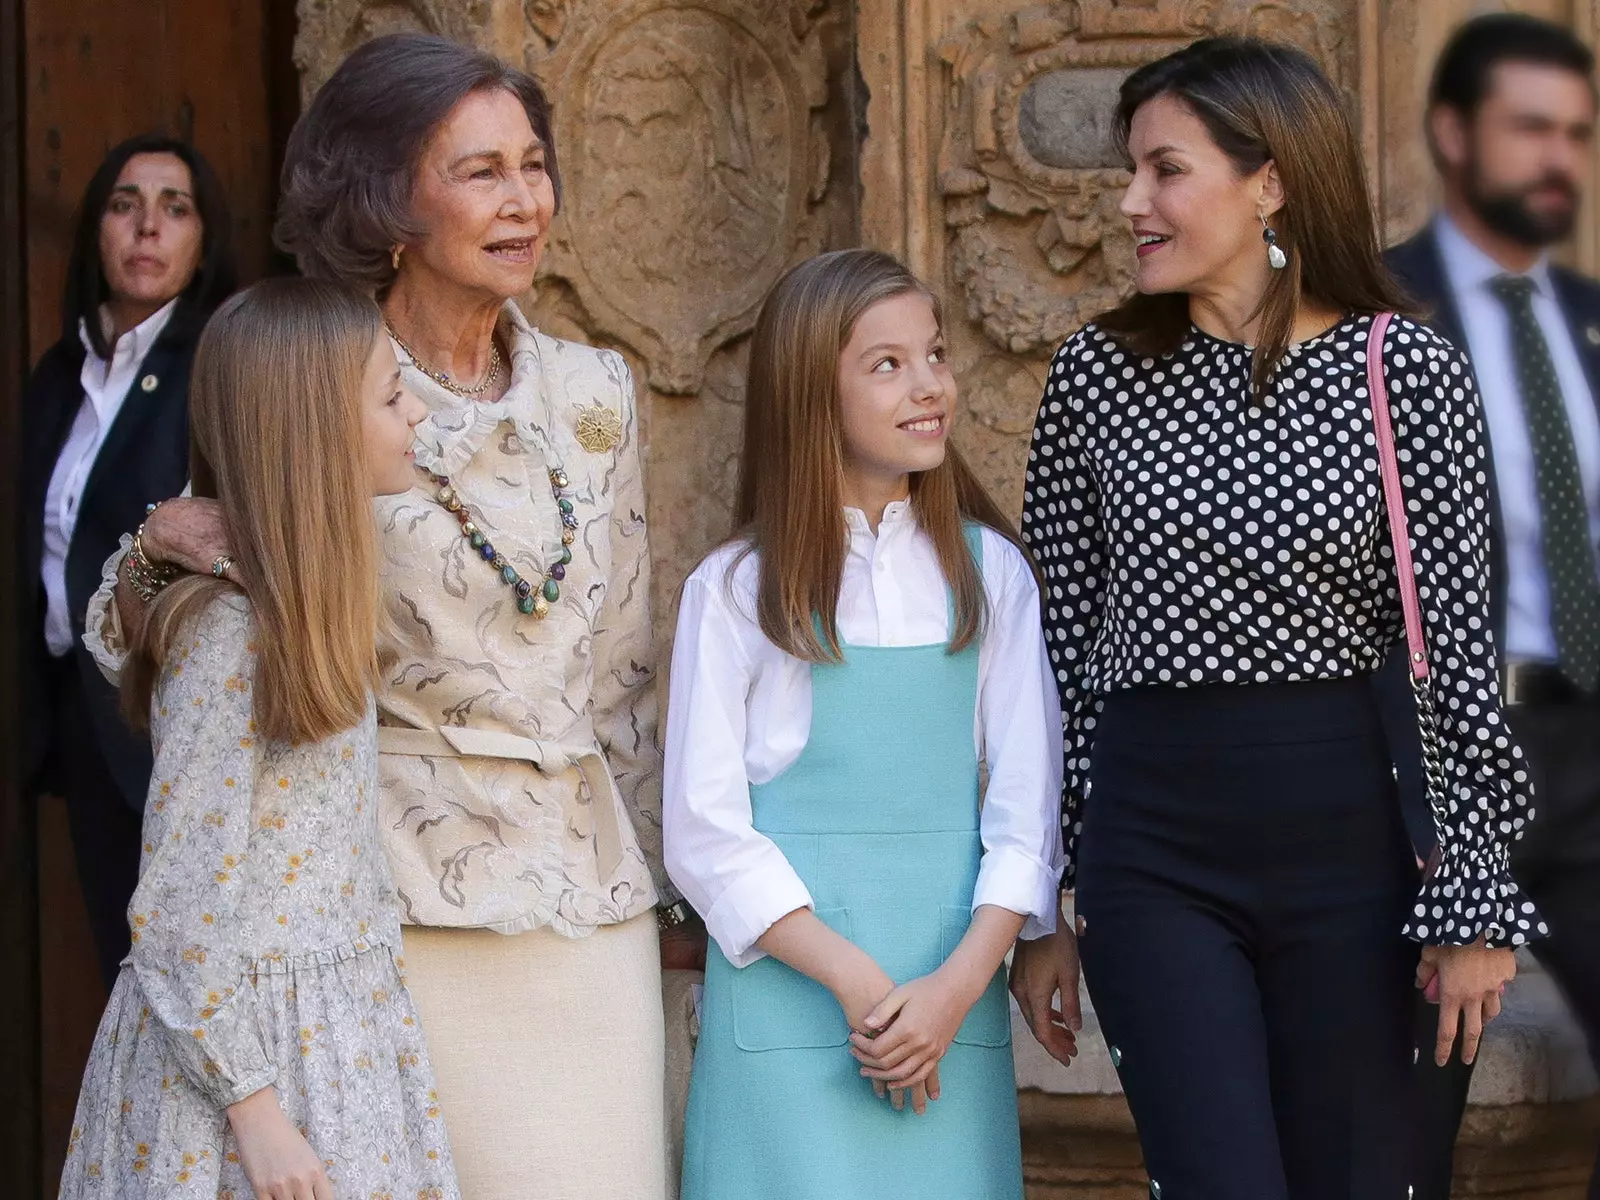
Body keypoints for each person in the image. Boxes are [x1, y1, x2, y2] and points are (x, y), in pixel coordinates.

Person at [87, 34, 696, 1200]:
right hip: (392, 911)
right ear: (386, 204)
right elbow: (147, 638)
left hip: (586, 907)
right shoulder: (318, 376)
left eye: (533, 163)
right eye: (479, 171)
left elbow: (622, 668)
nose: (524, 200)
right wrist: (163, 552)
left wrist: (663, 899)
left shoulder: (596, 390)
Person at [1017, 37, 1541, 1200]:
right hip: (1149, 850)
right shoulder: (1096, 373)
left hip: (1354, 850)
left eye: (1164, 170)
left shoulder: (1399, 369)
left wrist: (1474, 898)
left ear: (1269, 181)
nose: (1129, 201)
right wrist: (1039, 899)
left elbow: (1455, 647)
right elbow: (1055, 659)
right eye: (1130, 171)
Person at [663, 249, 1065, 1200]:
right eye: (887, 365)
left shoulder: (992, 575)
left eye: (934, 354)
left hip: (950, 1003)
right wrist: (865, 991)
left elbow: (1026, 818)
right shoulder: (733, 590)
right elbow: (704, 834)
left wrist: (956, 988)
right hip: (792, 1010)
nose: (929, 386)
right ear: (812, 391)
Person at [57, 277, 456, 1200]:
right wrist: (256, 1109)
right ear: (316, 429)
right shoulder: (231, 638)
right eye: (392, 396)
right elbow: (177, 910)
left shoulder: (310, 604)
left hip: (335, 1036)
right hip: (246, 1068)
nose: (417, 414)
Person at [1383, 15, 1600, 1199]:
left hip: (1587, 736)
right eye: (1531, 128)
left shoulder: (1581, 317)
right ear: (1455, 135)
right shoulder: (1369, 315)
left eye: (1575, 132)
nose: (1558, 158)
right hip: (1449, 745)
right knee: (1414, 1091)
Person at [20, 133, 235, 988]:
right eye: (125, 204)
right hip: (76, 715)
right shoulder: (59, 374)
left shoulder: (212, 368)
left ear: (203, 240)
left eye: (175, 208)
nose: (148, 227)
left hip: (162, 712)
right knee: (119, 965)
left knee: (179, 969)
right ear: (97, 232)